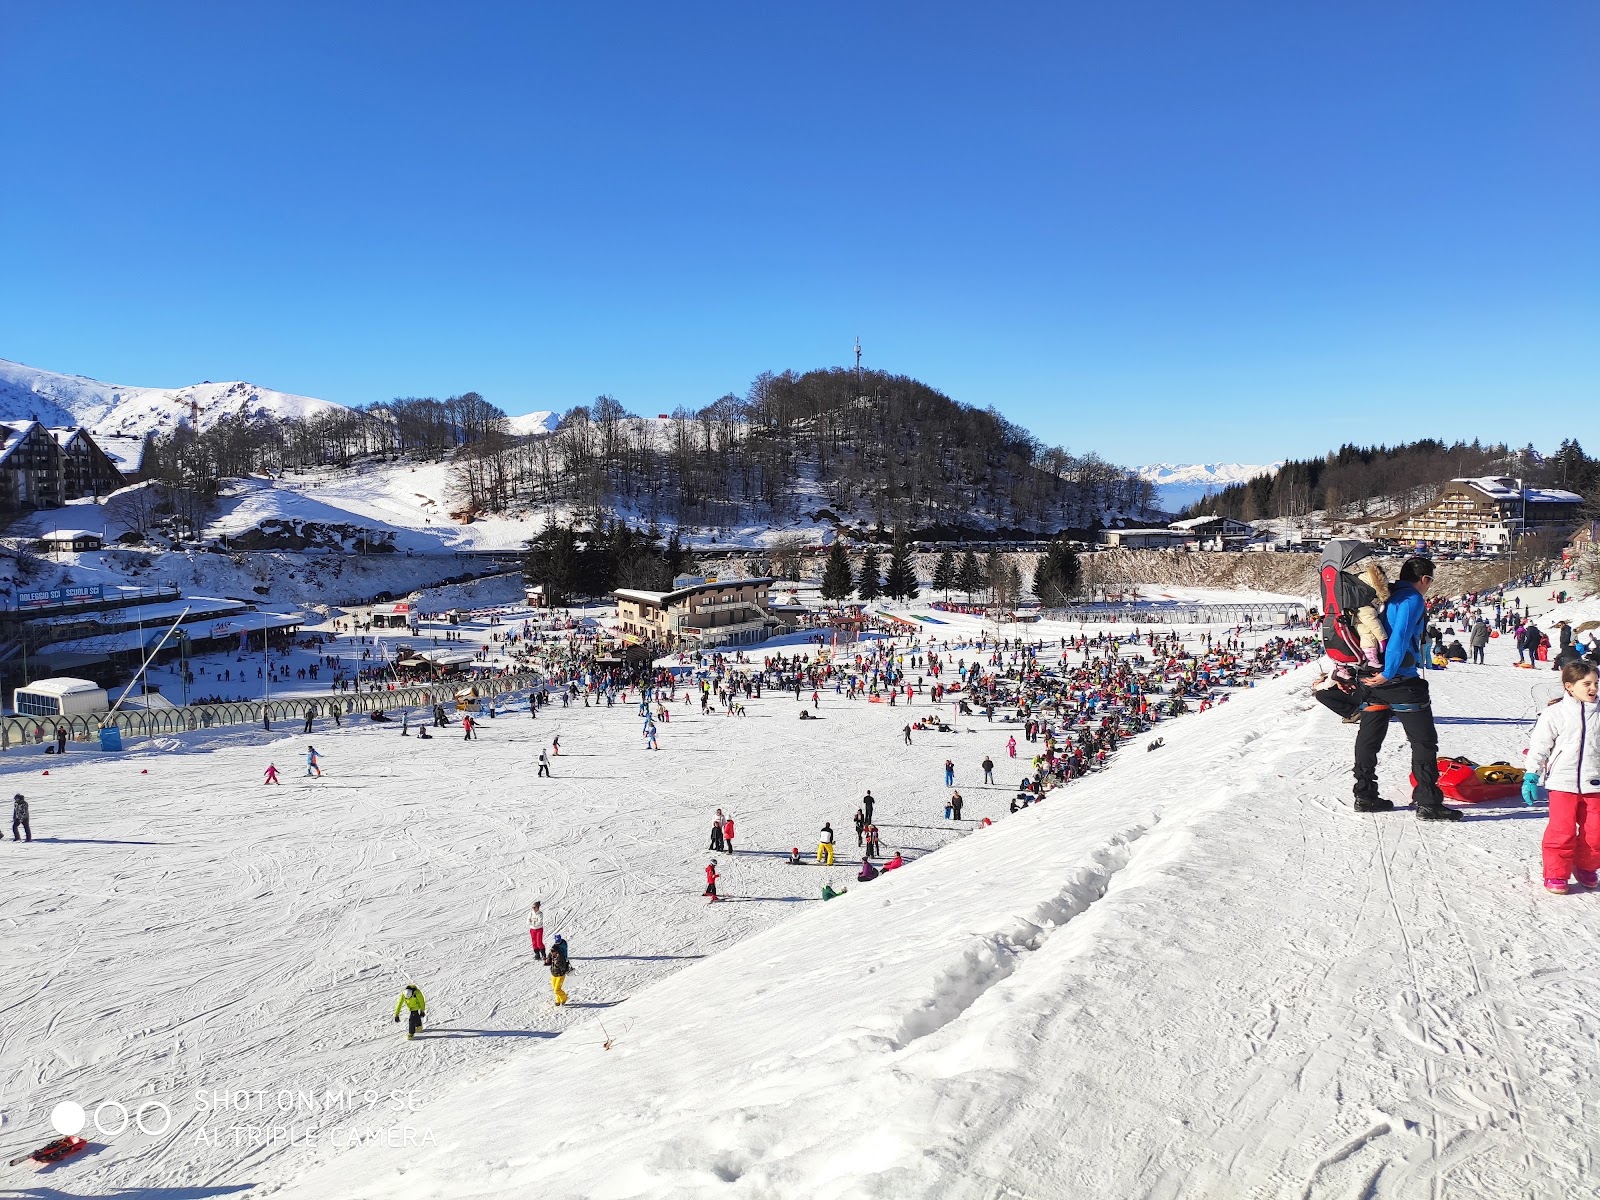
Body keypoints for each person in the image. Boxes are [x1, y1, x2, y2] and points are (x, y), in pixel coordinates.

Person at [1352, 558, 1461, 821]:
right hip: (1398, 680)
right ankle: (1428, 802)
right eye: (1430, 582)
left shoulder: (1387, 594)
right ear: (1425, 579)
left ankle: (1365, 795)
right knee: (1423, 740)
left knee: (1369, 737)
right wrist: (1389, 672)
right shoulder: (1412, 599)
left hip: (1370, 673)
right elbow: (1399, 636)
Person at [1523, 662, 1600, 894]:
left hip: (1595, 783)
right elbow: (1539, 747)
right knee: (1562, 831)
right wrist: (1531, 775)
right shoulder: (1555, 713)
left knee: (1595, 833)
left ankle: (1586, 867)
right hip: (1562, 784)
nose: (1593, 688)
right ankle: (1556, 873)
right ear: (1569, 686)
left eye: (1596, 683)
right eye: (1586, 684)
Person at [548, 937, 570, 1005]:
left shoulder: (560, 957)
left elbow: (563, 968)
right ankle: (558, 1000)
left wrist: (557, 964)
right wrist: (547, 960)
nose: (551, 953)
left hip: (560, 975)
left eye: (553, 951)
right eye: (551, 951)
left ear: (556, 952)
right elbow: (548, 963)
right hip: (553, 974)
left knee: (557, 990)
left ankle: (564, 997)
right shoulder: (551, 955)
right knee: (554, 989)